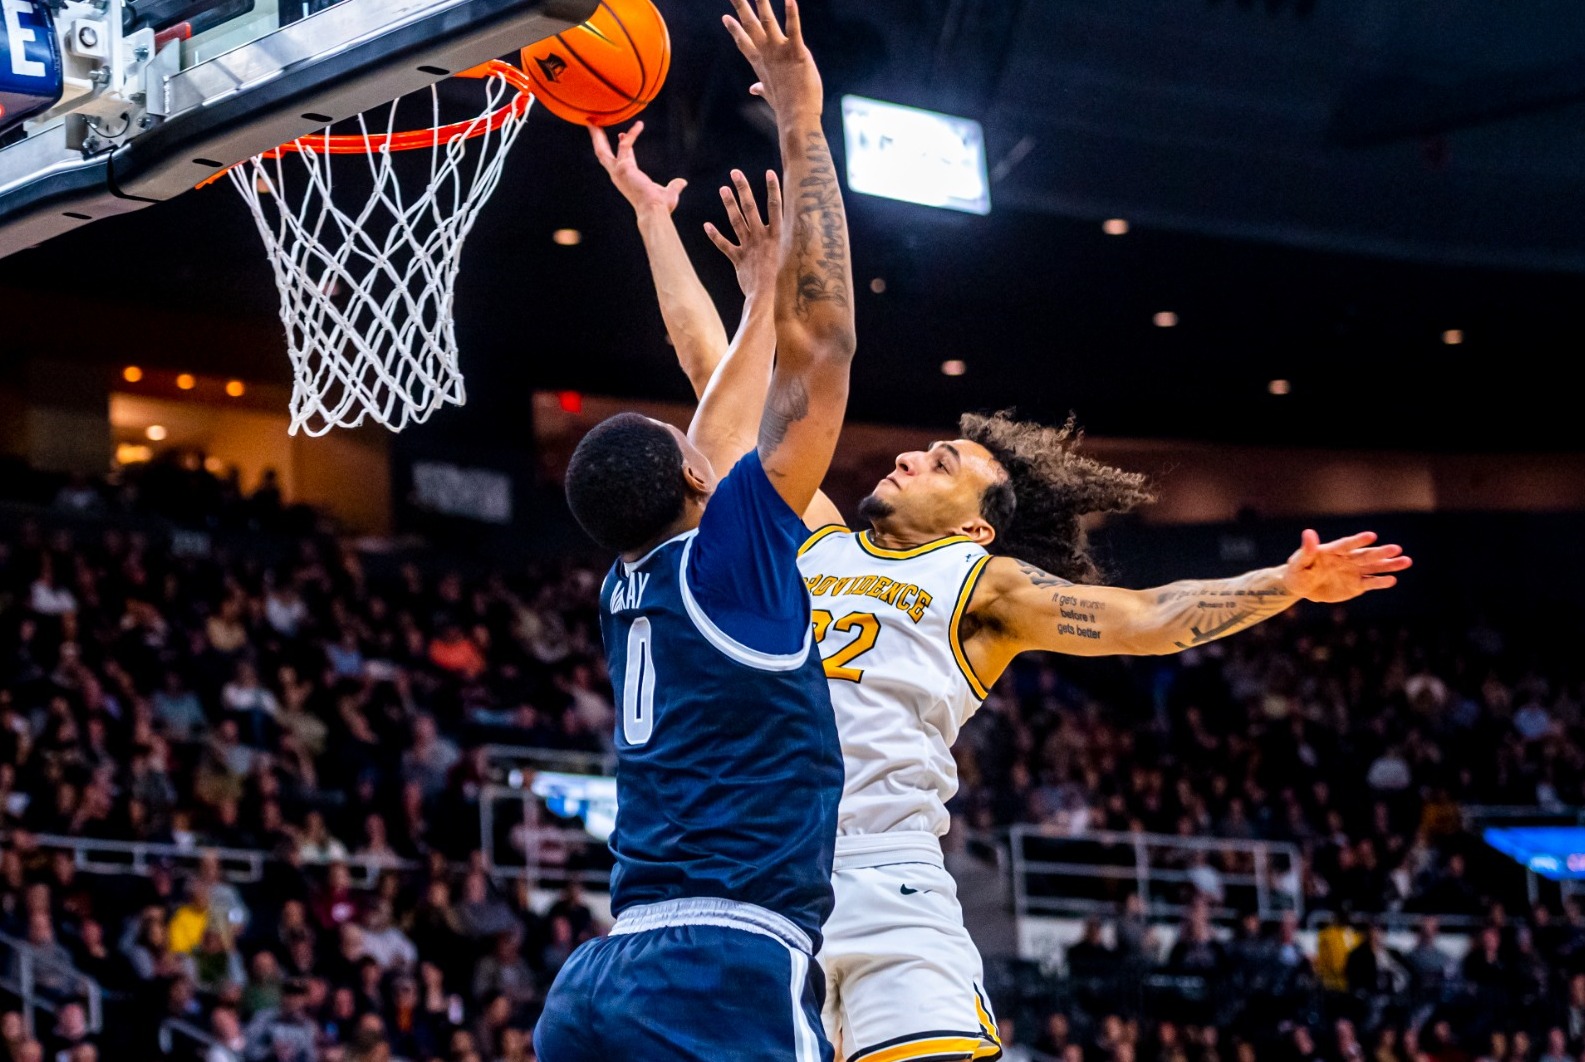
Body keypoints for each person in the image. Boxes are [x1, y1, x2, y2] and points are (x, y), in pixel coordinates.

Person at [599, 18, 1411, 1060]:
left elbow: (1147, 621)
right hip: (764, 884)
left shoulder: (983, 588)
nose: (908, 459)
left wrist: (1283, 584)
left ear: (978, 523)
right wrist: (651, 220)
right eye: (922, 450)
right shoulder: (814, 540)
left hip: (889, 889)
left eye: (943, 462)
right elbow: (715, 373)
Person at [534, 2, 853, 1059]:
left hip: (607, 973)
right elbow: (824, 349)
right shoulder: (737, 559)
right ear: (694, 476)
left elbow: (708, 381)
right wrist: (804, 125)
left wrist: (657, 225)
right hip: (725, 966)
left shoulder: (646, 573)